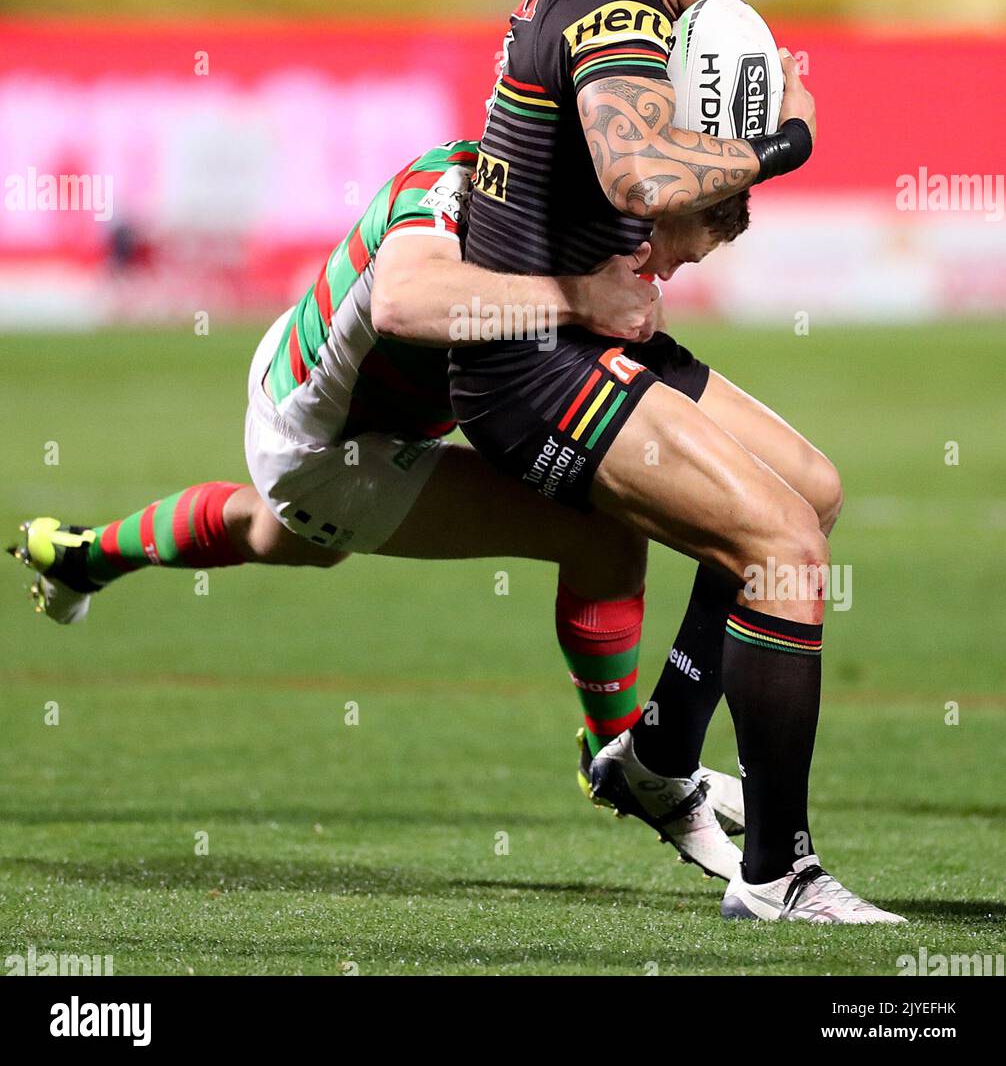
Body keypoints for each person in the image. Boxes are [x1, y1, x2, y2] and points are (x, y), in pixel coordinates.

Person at [9, 142, 751, 881]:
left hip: (306, 388)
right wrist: (582, 302)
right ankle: (618, 754)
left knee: (277, 533)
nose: (657, 277)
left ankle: (82, 556)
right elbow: (405, 301)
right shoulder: (452, 191)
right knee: (598, 529)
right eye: (669, 257)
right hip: (327, 448)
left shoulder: (538, 202)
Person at [451, 0, 904, 923]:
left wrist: (711, 199)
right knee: (781, 549)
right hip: (537, 367)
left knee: (812, 491)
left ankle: (655, 754)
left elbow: (648, 210)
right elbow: (640, 170)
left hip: (588, 340)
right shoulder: (612, 10)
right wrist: (784, 143)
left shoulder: (617, 3)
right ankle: (778, 873)